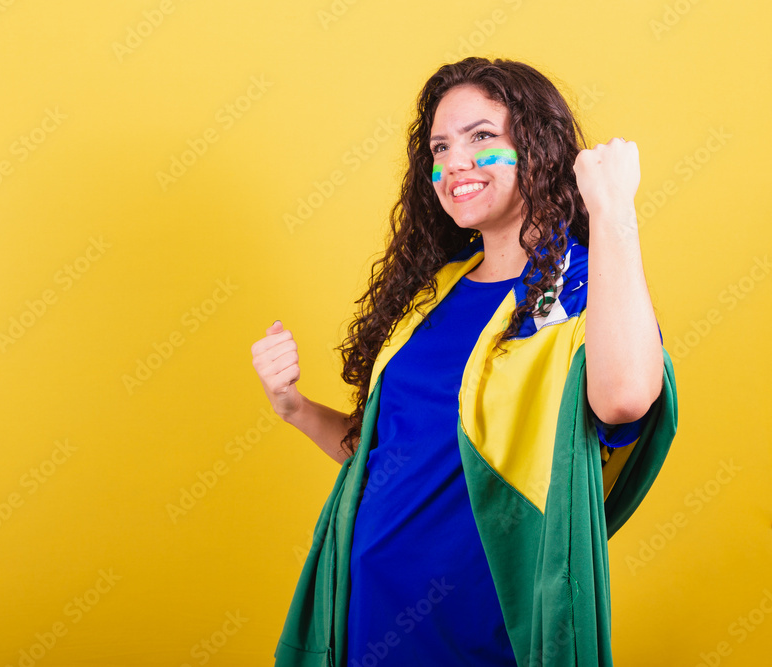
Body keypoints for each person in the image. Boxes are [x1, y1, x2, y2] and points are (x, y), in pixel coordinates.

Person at [251, 57, 678, 666]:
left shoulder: (580, 288)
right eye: (441, 146)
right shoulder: (433, 294)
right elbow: (382, 454)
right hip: (367, 614)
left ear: (538, 148)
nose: (455, 162)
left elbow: (626, 397)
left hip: (486, 630)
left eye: (482, 137)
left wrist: (613, 213)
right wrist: (293, 407)